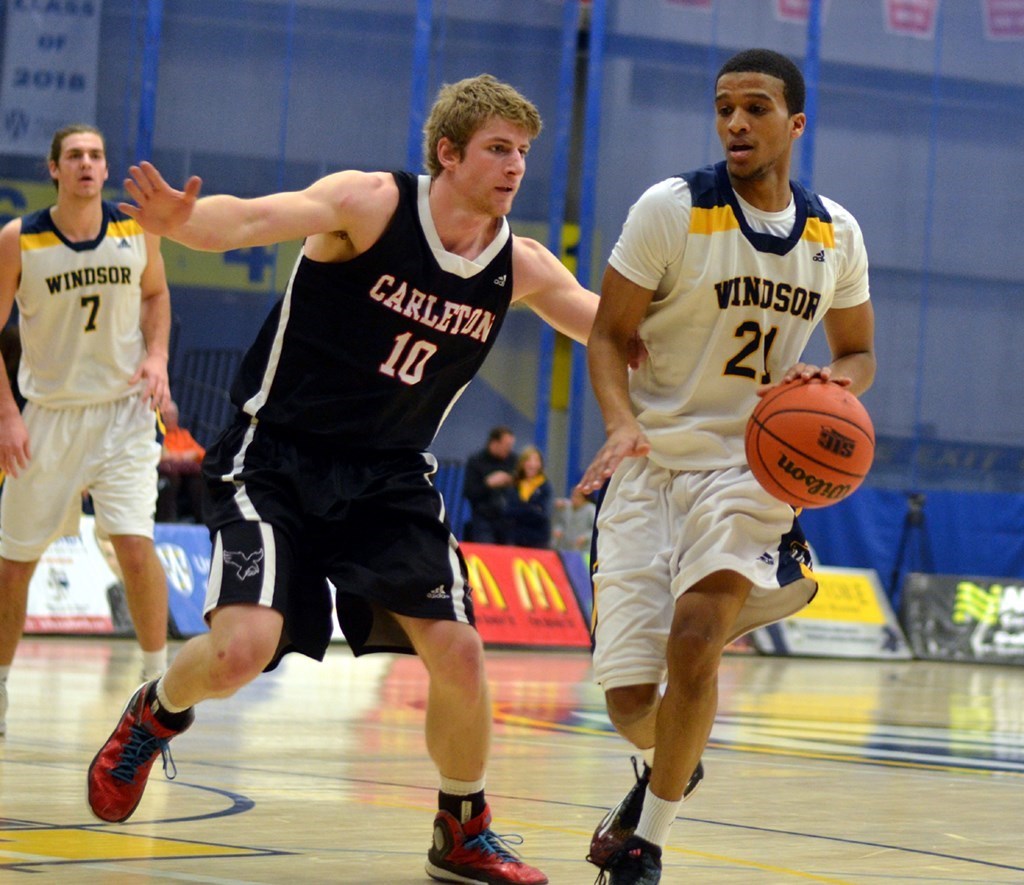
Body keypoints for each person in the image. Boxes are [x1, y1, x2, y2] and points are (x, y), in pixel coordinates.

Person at [86, 74, 599, 885]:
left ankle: (461, 827)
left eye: (524, 153)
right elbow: (252, 218)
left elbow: (607, 325)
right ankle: (156, 710)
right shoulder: (371, 204)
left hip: (389, 476)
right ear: (448, 153)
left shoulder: (519, 265)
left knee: (462, 653)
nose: (515, 168)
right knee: (239, 653)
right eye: (498, 149)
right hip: (279, 455)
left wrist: (695, 342)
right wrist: (185, 223)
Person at [578, 49, 876, 883]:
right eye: (723, 108)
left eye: (754, 107)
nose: (736, 123)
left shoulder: (836, 233)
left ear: (795, 123)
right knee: (633, 706)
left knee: (697, 638)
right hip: (650, 466)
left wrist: (830, 382)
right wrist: (619, 423)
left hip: (751, 469)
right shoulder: (671, 210)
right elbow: (607, 333)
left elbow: (858, 356)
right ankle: (674, 757)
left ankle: (648, 843)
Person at [0, 124, 173, 737]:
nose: (86, 164)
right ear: (53, 169)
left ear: (105, 170)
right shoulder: (19, 240)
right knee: (14, 564)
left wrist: (157, 357)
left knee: (134, 543)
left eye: (97, 155)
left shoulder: (136, 229)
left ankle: (159, 694)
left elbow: (156, 296)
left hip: (124, 414)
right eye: (74, 155)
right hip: (48, 415)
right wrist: (7, 413)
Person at [462, 425, 517, 544]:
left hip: (508, 519)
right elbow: (469, 492)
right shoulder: (476, 461)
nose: (509, 449)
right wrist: (488, 484)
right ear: (494, 443)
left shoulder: (513, 461)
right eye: (507, 445)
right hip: (483, 519)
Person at [156, 399, 206, 523]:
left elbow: (200, 453)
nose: (170, 418)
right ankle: (167, 521)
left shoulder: (184, 435)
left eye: (173, 415)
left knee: (198, 478)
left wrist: (177, 456)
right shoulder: (158, 434)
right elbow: (161, 455)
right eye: (167, 414)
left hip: (185, 476)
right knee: (171, 477)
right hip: (165, 475)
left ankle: (201, 521)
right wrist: (183, 456)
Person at [507, 445, 552, 549]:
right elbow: (508, 511)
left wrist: (521, 509)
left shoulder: (545, 486)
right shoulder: (515, 485)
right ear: (522, 464)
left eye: (536, 460)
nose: (532, 464)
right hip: (516, 537)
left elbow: (543, 514)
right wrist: (531, 509)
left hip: (538, 539)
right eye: (528, 460)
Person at [551, 485, 597, 554]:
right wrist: (558, 530)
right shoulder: (567, 508)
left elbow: (596, 529)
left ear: (584, 498)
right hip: (566, 547)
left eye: (577, 496)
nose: (573, 498)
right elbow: (561, 523)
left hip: (584, 549)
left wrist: (585, 537)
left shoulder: (591, 509)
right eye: (572, 495)